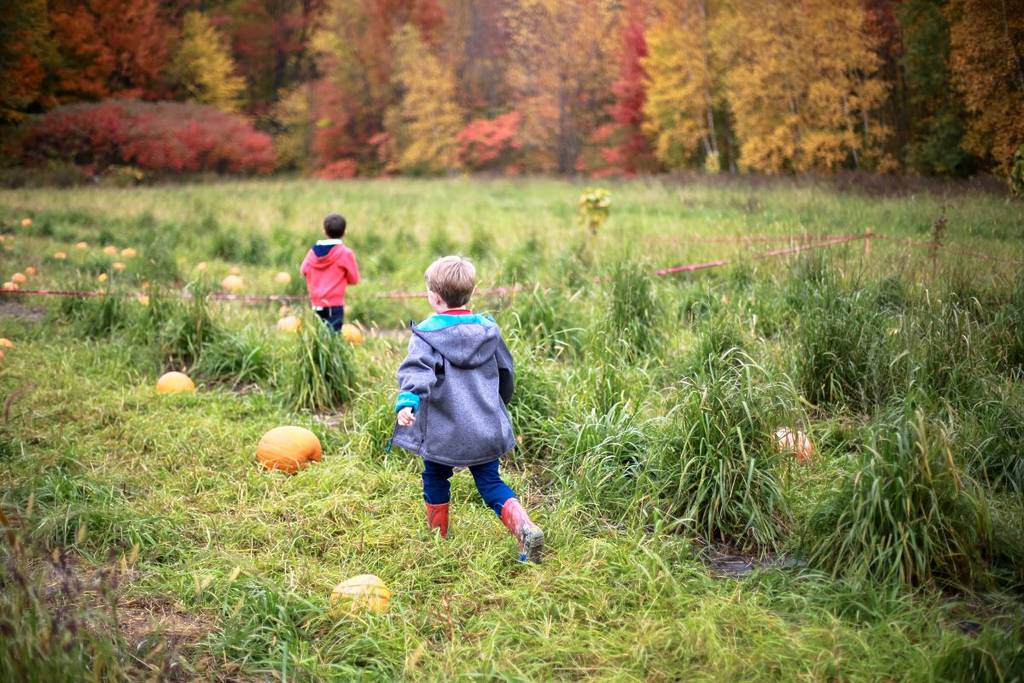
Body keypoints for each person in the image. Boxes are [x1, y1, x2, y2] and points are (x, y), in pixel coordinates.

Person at [392, 255, 544, 563]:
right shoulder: (489, 331)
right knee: (490, 483)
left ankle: (438, 541)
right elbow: (506, 372)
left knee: (435, 477)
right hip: (485, 427)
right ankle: (524, 527)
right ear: (470, 294)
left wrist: (408, 401)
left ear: (434, 298)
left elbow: (417, 371)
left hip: (444, 432)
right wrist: (496, 406)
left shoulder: (426, 335)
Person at [300, 213, 360, 331]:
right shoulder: (345, 253)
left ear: (324, 231)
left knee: (318, 337)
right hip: (335, 304)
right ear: (344, 232)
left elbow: (303, 270)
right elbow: (354, 279)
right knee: (333, 337)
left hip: (316, 303)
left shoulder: (313, 252)